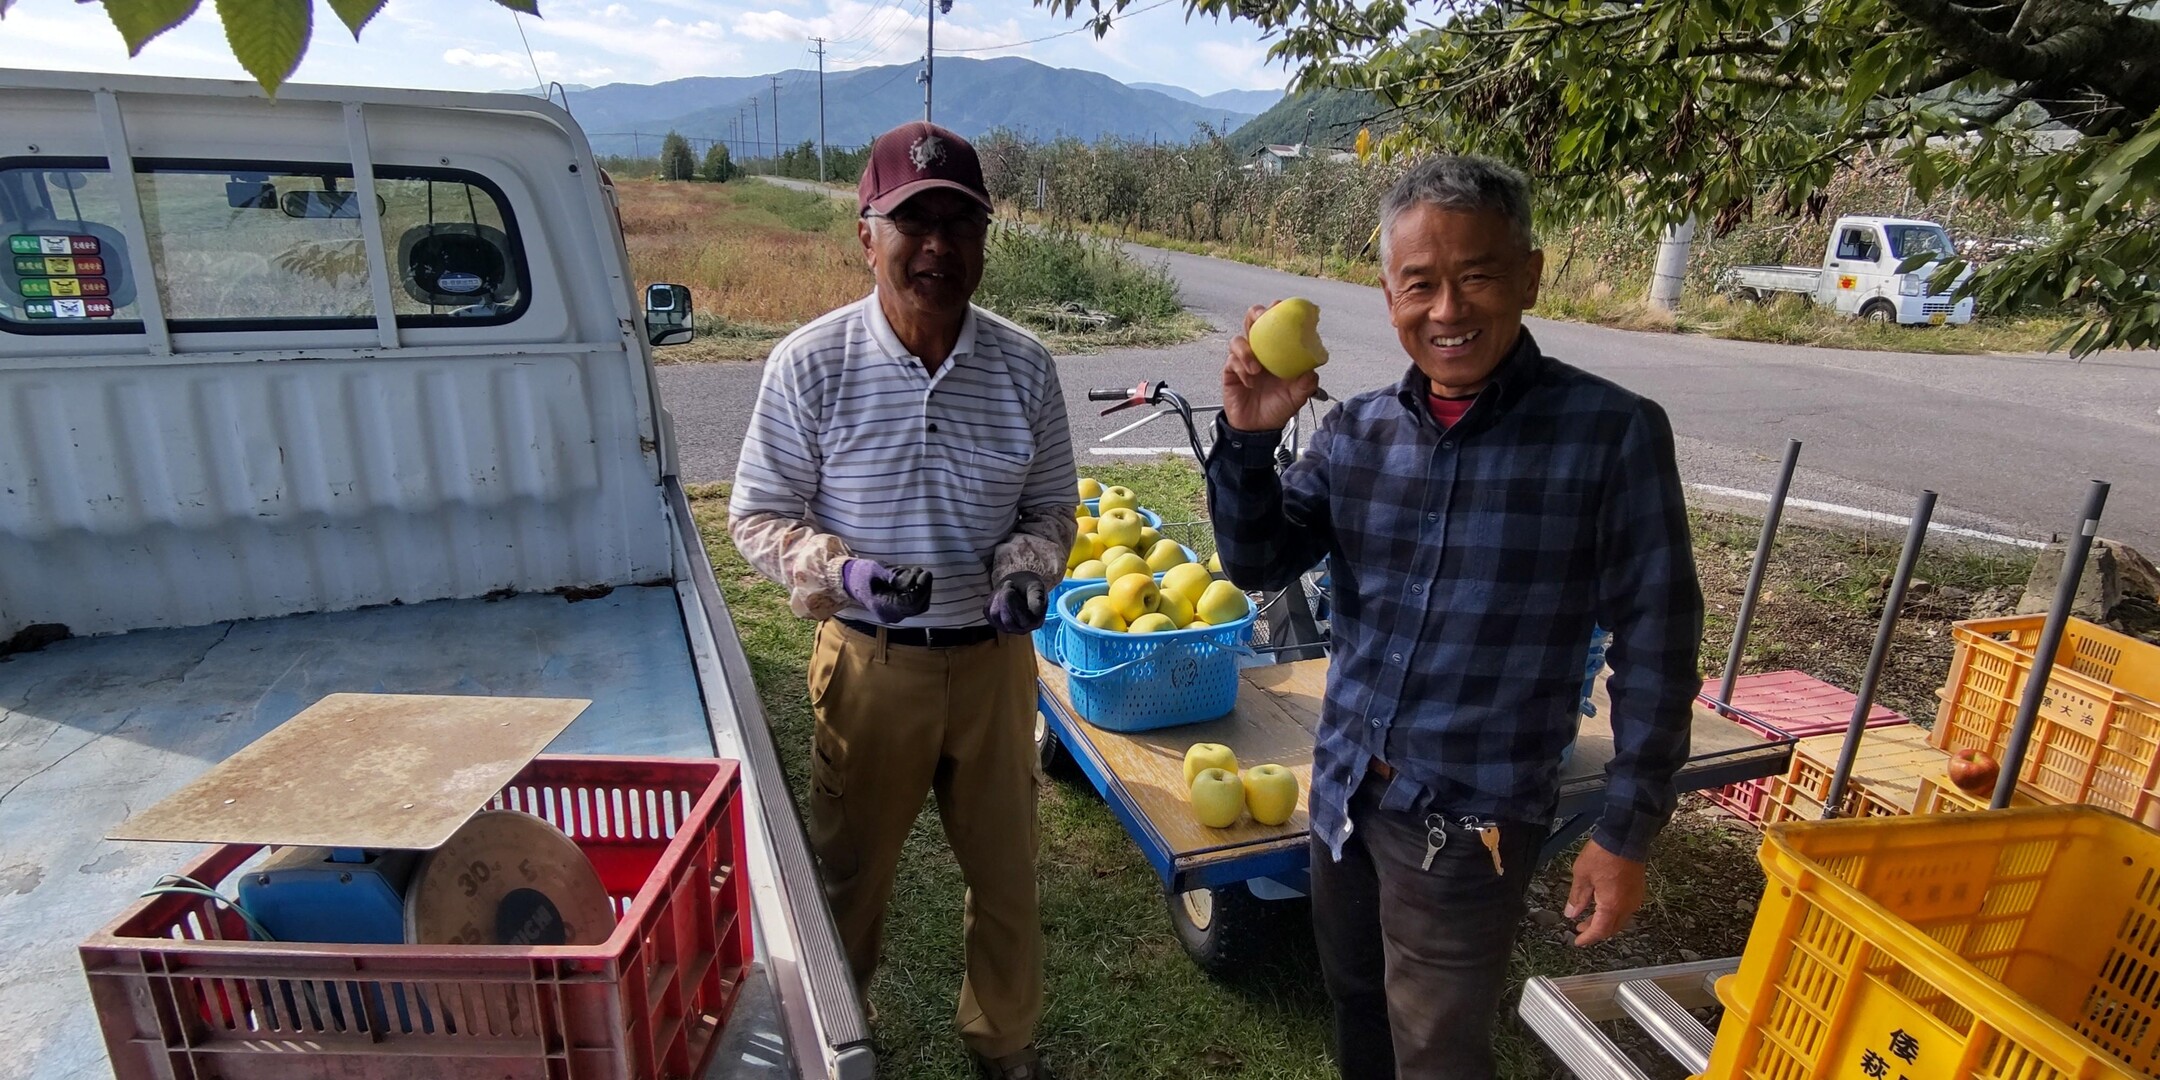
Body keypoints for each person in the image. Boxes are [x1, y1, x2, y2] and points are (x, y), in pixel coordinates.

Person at [1206, 154, 1704, 1080]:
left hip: (1470, 820)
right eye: (1420, 284)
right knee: (1354, 1004)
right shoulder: (1357, 431)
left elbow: (1659, 642)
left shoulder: (1609, 434)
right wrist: (1249, 436)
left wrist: (1625, 830)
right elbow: (1257, 559)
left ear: (1530, 275)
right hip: (1346, 790)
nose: (1448, 310)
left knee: (1435, 1047)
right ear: (1388, 294)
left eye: (1475, 276)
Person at [729, 121, 1076, 1080]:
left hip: (996, 666)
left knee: (1007, 878)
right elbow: (756, 516)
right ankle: (838, 1040)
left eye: (958, 224)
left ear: (984, 239)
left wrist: (1026, 569)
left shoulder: (1025, 367)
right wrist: (843, 573)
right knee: (849, 879)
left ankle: (1004, 1047)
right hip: (872, 665)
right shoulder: (812, 363)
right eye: (911, 221)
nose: (936, 246)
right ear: (865, 235)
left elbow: (1053, 508)